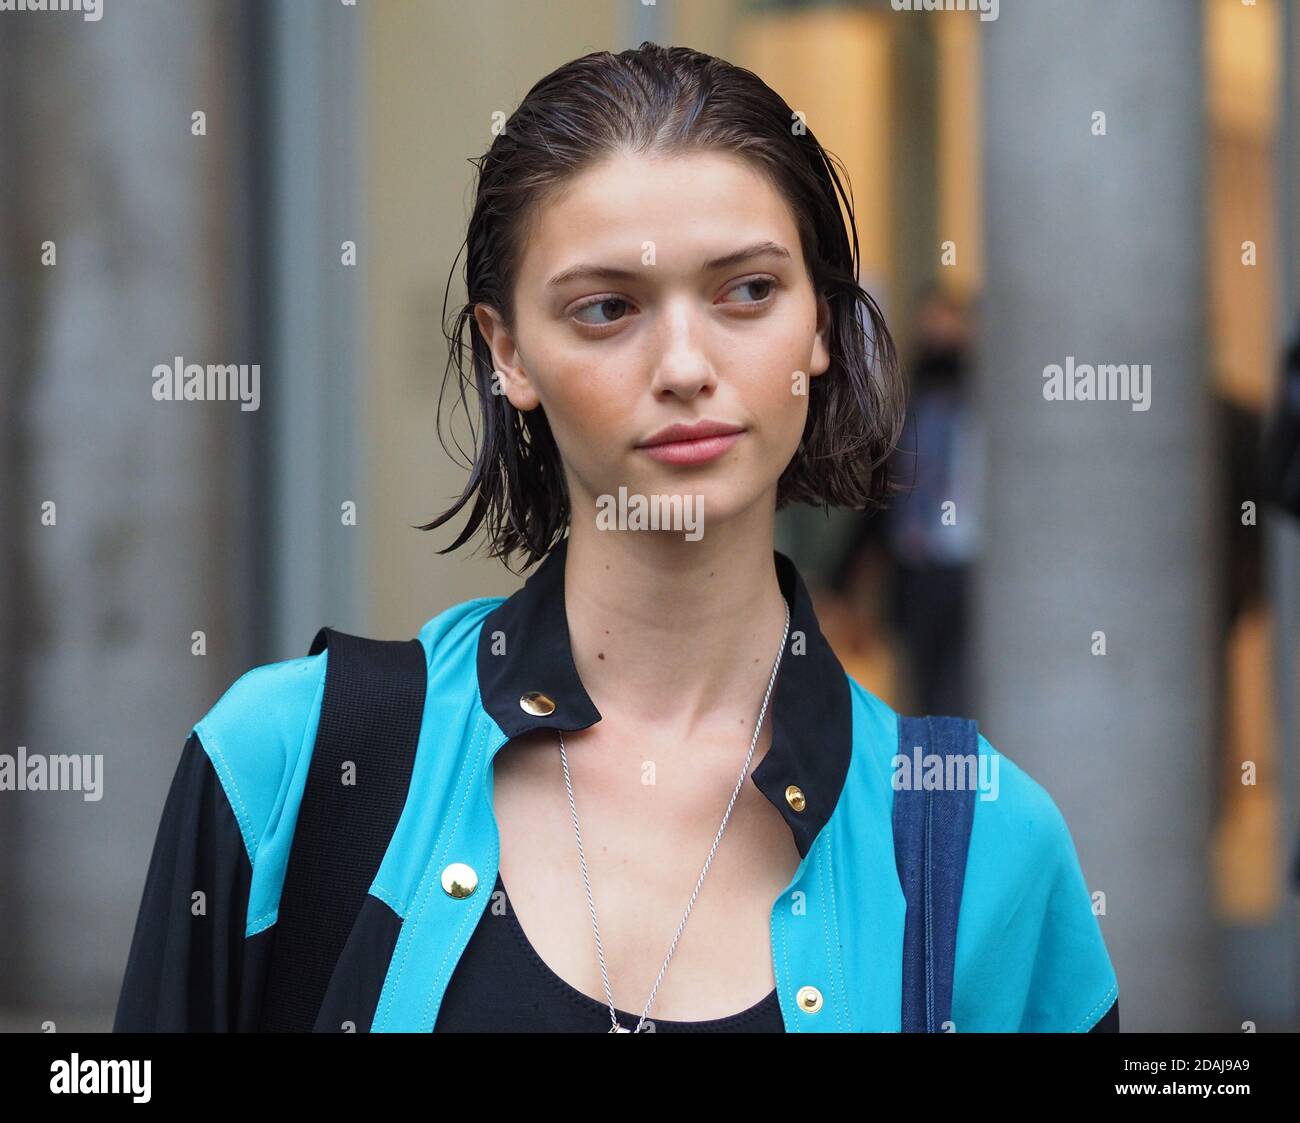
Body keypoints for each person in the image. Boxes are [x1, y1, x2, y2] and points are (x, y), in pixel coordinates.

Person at [113, 41, 1118, 1033]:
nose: (684, 364)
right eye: (606, 308)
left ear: (820, 327)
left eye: (749, 290)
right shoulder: (289, 763)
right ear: (508, 353)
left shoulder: (980, 842)